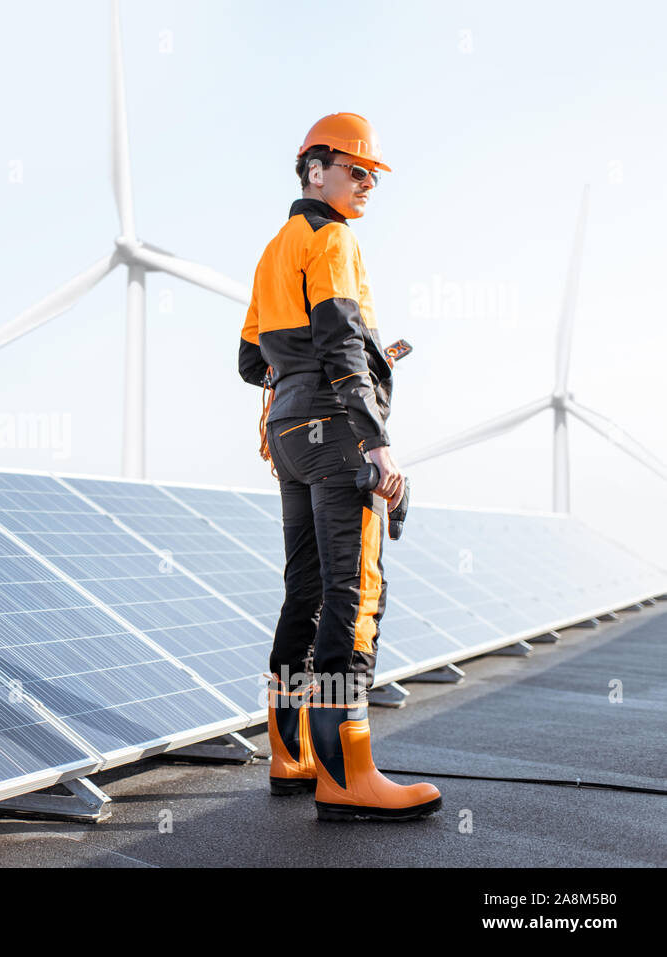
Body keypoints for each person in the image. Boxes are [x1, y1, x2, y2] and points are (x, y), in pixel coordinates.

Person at [237, 112, 441, 821]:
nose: (366, 185)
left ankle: (291, 753)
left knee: (306, 592)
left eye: (371, 177)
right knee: (352, 596)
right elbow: (342, 339)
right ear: (314, 168)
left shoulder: (272, 250)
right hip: (335, 436)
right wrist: (376, 439)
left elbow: (247, 361)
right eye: (357, 171)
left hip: (289, 434)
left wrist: (296, 379)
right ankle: (347, 770)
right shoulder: (332, 239)